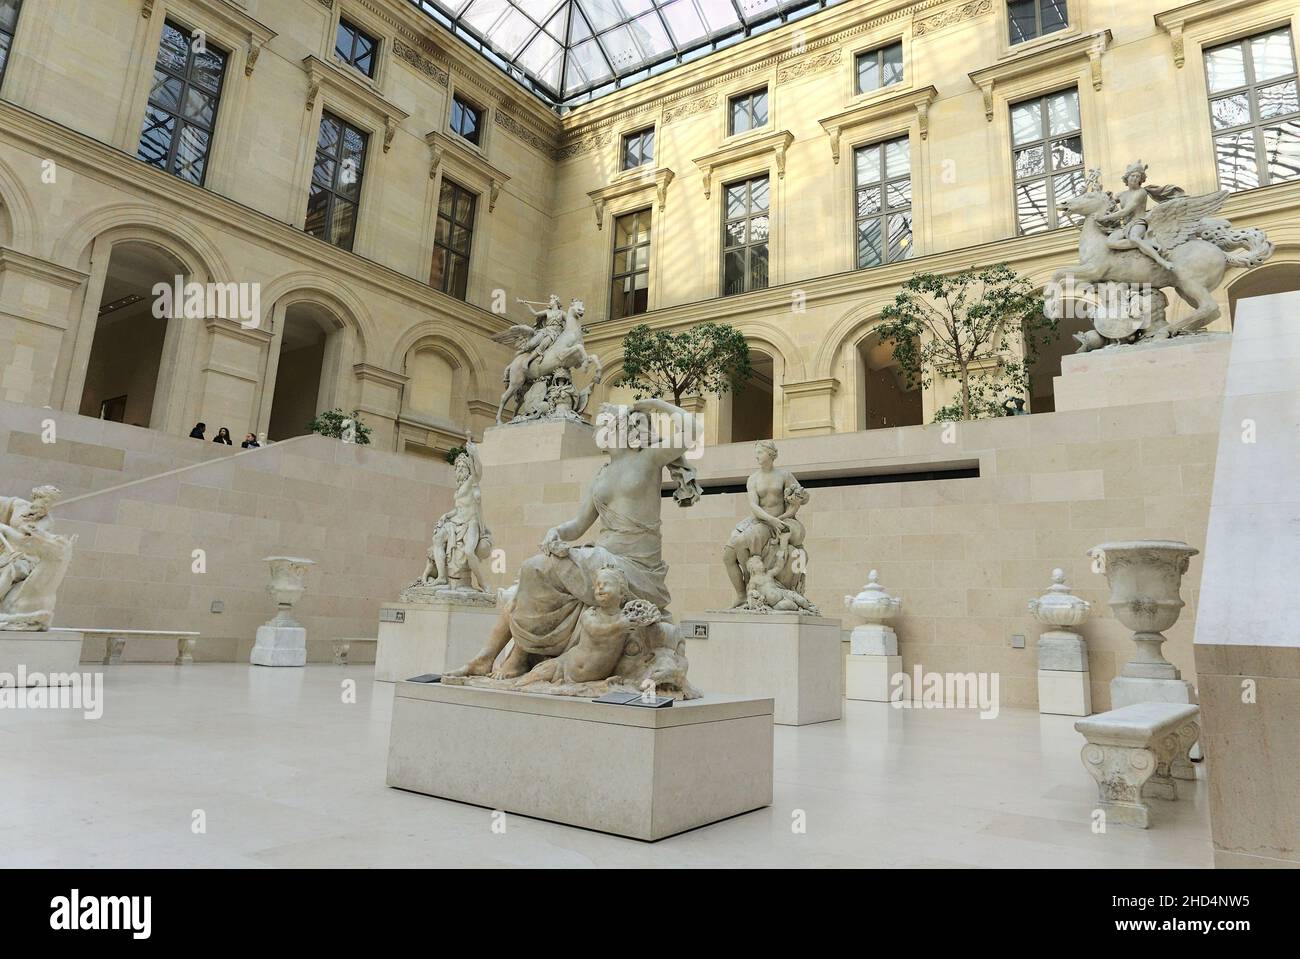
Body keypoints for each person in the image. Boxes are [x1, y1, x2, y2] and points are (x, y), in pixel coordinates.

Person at [447, 397, 701, 682]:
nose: (597, 430)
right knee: (534, 567)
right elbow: (578, 525)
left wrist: (654, 403)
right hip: (601, 557)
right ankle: (488, 657)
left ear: (621, 428)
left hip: (635, 567)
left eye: (604, 424)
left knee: (545, 568)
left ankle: (516, 656)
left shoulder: (648, 459)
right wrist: (556, 533)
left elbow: (691, 429)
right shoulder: (601, 476)